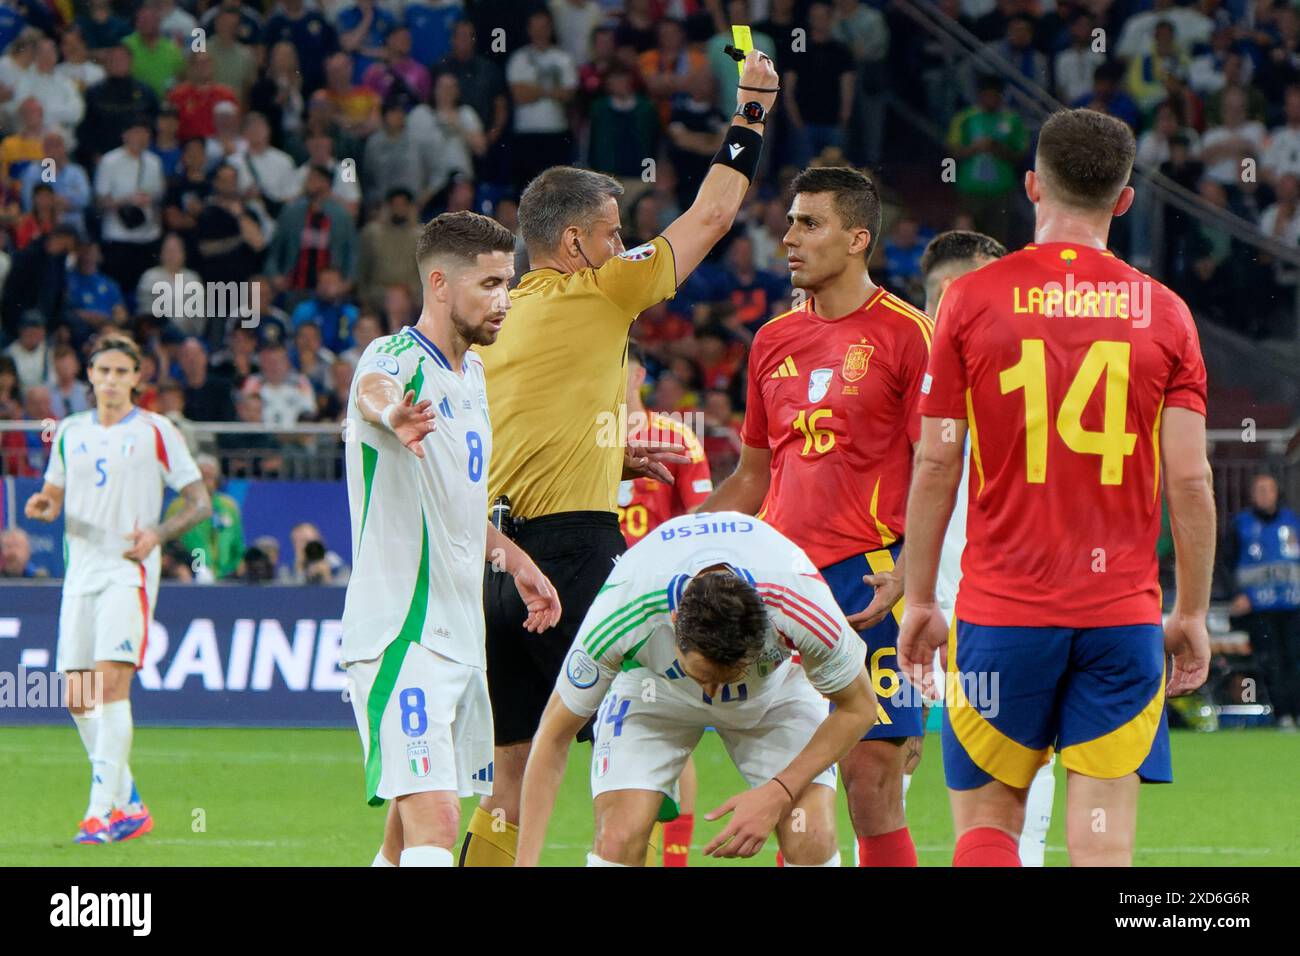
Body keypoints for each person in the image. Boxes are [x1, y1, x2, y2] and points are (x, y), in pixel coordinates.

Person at [465, 49, 781, 868]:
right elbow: (711, 216)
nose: (623, 244)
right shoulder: (599, 289)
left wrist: (607, 456)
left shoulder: (492, 320)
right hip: (571, 553)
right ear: (575, 241)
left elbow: (528, 424)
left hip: (488, 563)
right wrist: (749, 112)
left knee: (508, 771)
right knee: (642, 740)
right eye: (613, 233)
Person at [897, 108, 1216, 867]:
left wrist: (918, 600)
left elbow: (937, 462)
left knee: (986, 832)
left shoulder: (971, 302)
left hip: (1003, 615)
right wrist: (1193, 612)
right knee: (1102, 849)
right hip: (1120, 620)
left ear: (1034, 186)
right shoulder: (1164, 313)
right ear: (1125, 199)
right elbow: (1192, 479)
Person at [701, 165, 930, 868]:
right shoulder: (772, 340)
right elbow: (752, 476)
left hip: (871, 580)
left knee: (872, 784)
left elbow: (937, 469)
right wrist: (674, 544)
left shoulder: (908, 333)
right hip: (778, 583)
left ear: (858, 238)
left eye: (810, 223)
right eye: (791, 221)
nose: (788, 237)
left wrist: (916, 577)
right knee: (794, 791)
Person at [341, 211, 561, 868]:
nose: (505, 300)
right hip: (402, 637)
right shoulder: (396, 357)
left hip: (460, 640)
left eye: (509, 284)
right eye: (490, 284)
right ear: (440, 283)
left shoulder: (473, 379)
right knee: (435, 823)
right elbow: (370, 392)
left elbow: (458, 505)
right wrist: (391, 412)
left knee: (405, 838)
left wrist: (515, 559)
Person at [515, 512, 877, 867]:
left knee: (810, 833)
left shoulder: (800, 603)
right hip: (655, 691)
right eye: (703, 676)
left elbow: (859, 707)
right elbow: (552, 736)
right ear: (674, 622)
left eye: (727, 677)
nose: (713, 692)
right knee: (617, 837)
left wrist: (779, 791)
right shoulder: (624, 606)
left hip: (775, 692)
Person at [24, 336, 211, 845]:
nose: (110, 380)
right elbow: (56, 491)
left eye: (120, 371)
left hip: (127, 572)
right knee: (77, 696)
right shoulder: (69, 431)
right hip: (79, 572)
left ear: (136, 377)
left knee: (110, 688)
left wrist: (157, 534)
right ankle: (128, 802)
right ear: (90, 375)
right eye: (102, 370)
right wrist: (45, 503)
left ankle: (98, 813)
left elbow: (199, 502)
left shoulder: (157, 431)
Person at [915, 228, 1057, 868]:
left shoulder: (1037, 364)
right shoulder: (897, 364)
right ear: (948, 295)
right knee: (877, 772)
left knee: (1019, 759)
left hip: (1003, 597)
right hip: (901, 596)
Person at [616, 342, 713, 866]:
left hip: (660, 610)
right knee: (610, 740)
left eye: (617, 363)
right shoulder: (583, 435)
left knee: (671, 733)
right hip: (599, 606)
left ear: (638, 373)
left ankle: (672, 860)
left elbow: (701, 522)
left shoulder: (673, 437)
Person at [1225, 473, 1300, 729]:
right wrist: (1237, 594)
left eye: (1268, 489)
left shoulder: (1293, 522)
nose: (1264, 494)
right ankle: (1283, 715)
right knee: (1272, 661)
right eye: (1259, 489)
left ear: (1277, 492)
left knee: (1295, 659)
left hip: (1293, 606)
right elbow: (1225, 565)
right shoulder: (1240, 525)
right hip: (1259, 608)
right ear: (1251, 494)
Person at [165, 453, 245, 580]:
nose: (207, 482)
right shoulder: (178, 506)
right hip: (193, 573)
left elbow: (238, 542)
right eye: (203, 477)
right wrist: (179, 567)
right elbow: (168, 543)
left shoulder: (228, 506)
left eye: (210, 477)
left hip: (226, 576)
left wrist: (239, 566)